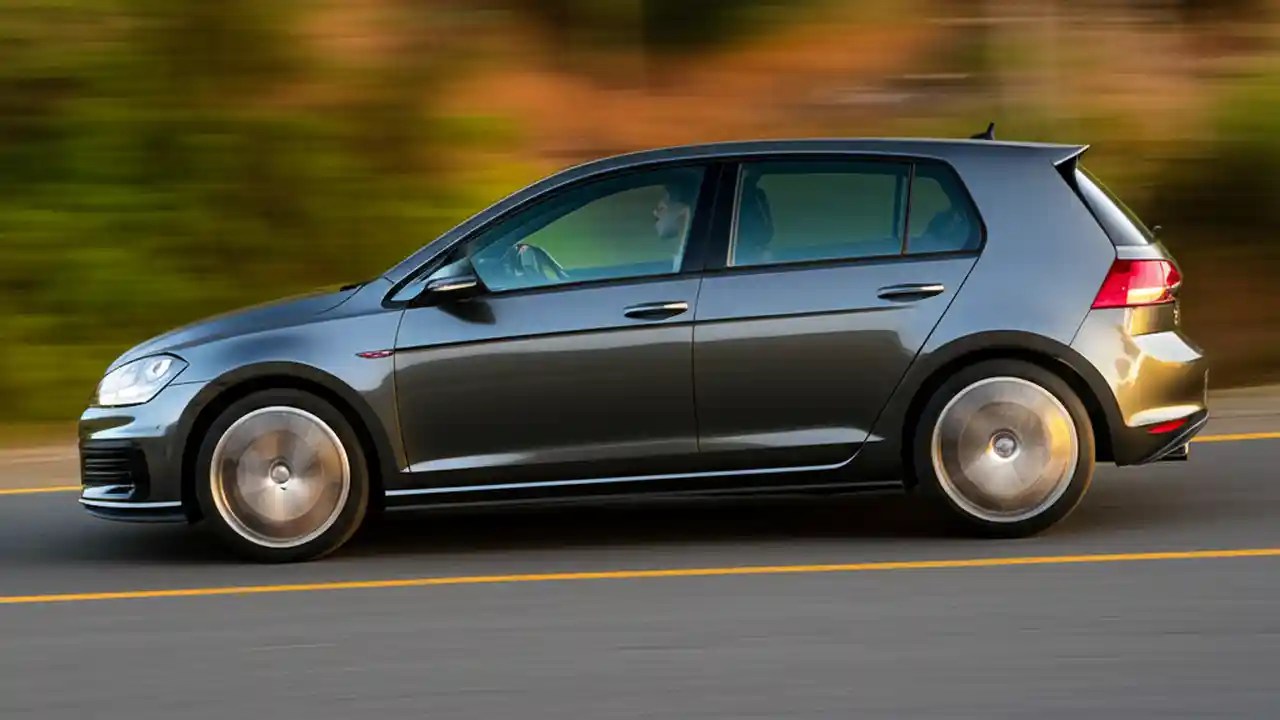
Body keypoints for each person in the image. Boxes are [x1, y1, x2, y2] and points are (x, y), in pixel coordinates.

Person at [653, 174, 700, 270]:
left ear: (682, 209)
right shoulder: (685, 258)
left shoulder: (696, 260)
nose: (655, 212)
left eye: (661, 208)